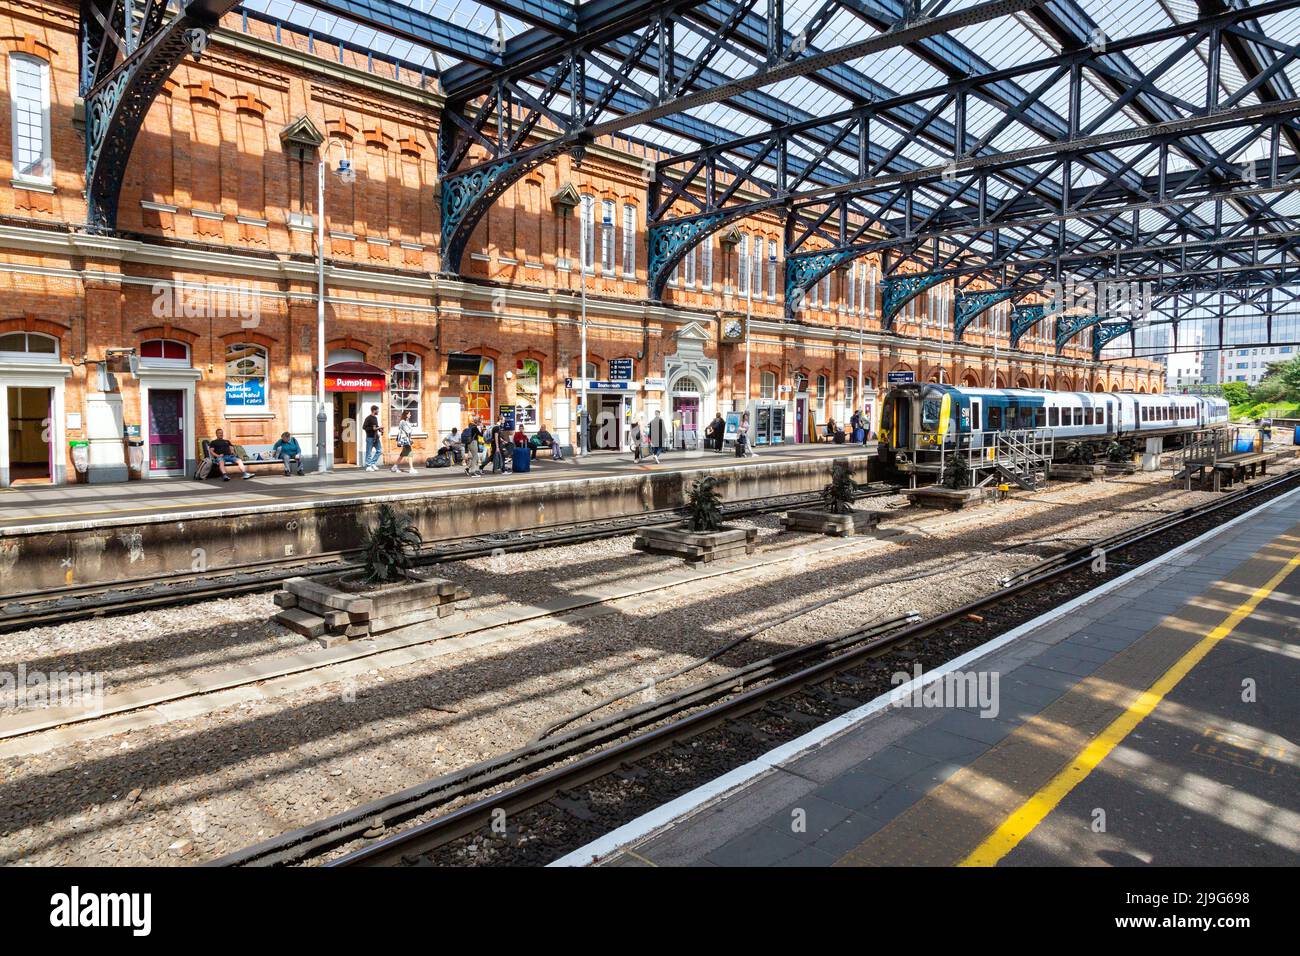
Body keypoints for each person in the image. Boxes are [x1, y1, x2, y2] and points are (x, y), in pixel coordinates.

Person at [362, 405, 382, 471]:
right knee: (369, 452)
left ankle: (373, 463)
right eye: (377, 410)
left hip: (376, 437)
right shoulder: (368, 418)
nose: (378, 411)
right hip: (370, 437)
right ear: (374, 410)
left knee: (379, 450)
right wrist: (373, 429)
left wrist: (380, 429)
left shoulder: (375, 418)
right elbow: (364, 427)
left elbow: (376, 426)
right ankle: (368, 466)